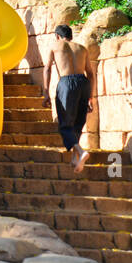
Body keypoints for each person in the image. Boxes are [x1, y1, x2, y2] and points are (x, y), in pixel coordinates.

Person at [43, 24, 96, 173]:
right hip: (84, 83)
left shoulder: (55, 46)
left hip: (67, 83)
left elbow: (47, 68)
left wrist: (46, 93)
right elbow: (91, 74)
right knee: (78, 122)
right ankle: (75, 158)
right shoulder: (82, 48)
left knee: (65, 124)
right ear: (71, 36)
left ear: (58, 36)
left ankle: (81, 150)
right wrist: (90, 97)